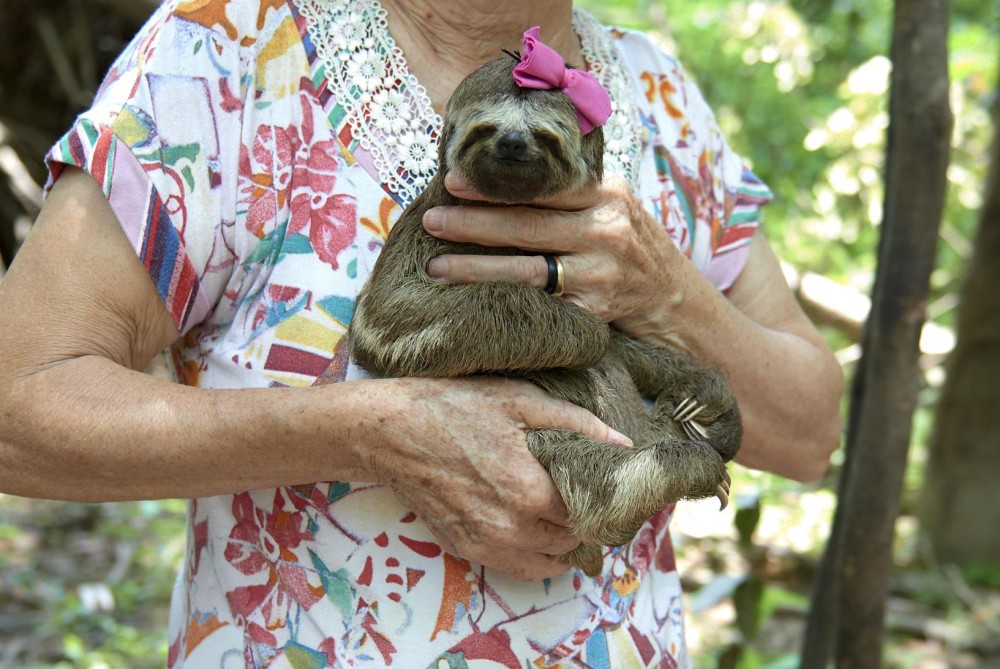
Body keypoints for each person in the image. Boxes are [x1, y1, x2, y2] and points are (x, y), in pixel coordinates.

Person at [0, 0, 843, 666]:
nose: (512, 145)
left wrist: (671, 295)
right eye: (489, 136)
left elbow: (809, 433)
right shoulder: (222, 56)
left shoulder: (663, 96)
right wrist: (372, 433)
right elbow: (18, 407)